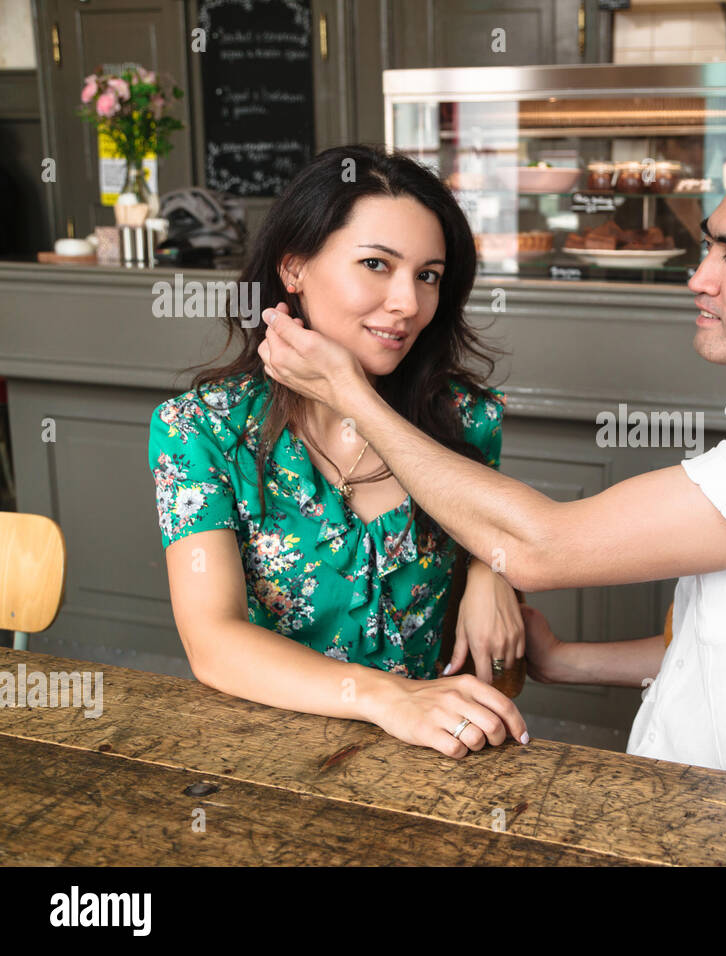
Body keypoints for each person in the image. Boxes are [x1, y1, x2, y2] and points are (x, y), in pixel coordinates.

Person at [258, 131, 726, 802]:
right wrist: (563, 659)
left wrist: (350, 395)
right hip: (716, 814)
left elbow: (540, 548)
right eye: (707, 246)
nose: (698, 278)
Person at [148, 145, 528, 757]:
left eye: (427, 275)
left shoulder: (465, 416)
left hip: (433, 758)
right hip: (269, 752)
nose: (408, 303)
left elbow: (507, 530)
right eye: (377, 263)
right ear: (293, 270)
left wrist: (493, 569)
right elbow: (212, 640)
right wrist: (388, 698)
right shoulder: (200, 430)